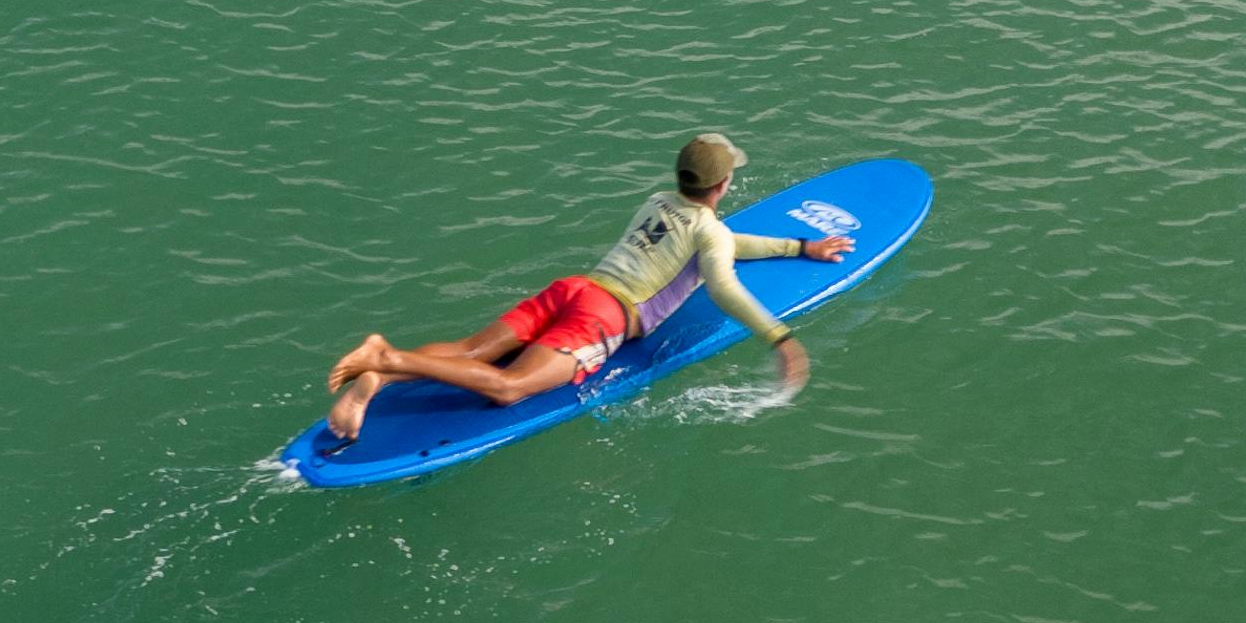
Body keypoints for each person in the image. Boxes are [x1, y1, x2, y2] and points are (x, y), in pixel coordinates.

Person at [323, 134, 852, 443]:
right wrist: (781, 339)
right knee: (506, 389)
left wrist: (798, 248)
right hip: (600, 320)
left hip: (574, 289)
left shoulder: (658, 202)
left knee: (472, 350)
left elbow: (726, 243)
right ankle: (389, 359)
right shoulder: (708, 232)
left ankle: (376, 378)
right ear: (722, 185)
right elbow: (725, 286)